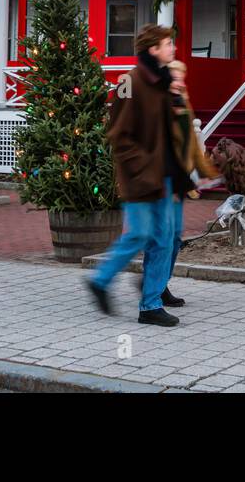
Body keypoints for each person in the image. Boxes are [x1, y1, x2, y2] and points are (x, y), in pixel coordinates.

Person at [86, 24, 189, 326]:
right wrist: (144, 167)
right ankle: (101, 280)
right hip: (141, 177)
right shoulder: (130, 83)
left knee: (165, 239)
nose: (173, 48)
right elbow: (119, 135)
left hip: (166, 176)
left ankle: (150, 305)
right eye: (168, 43)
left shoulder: (164, 82)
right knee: (141, 234)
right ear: (153, 49)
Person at [164, 60, 219, 297]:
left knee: (175, 237)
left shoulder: (184, 104)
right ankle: (152, 287)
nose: (179, 82)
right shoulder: (161, 107)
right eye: (174, 77)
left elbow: (193, 148)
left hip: (180, 182)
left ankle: (160, 283)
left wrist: (207, 174)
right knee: (163, 237)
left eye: (181, 77)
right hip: (164, 180)